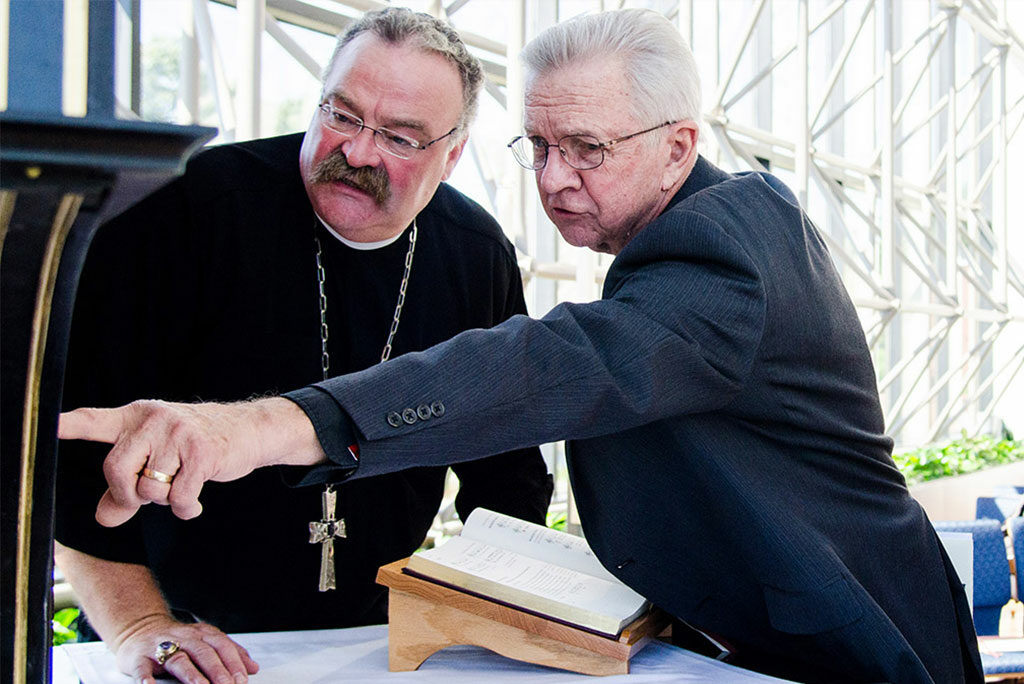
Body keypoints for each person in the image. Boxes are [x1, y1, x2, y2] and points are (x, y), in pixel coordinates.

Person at [60, 8, 983, 684]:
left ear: (678, 148)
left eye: (586, 148)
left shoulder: (725, 248)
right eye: (538, 145)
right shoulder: (187, 212)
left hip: (844, 639)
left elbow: (551, 367)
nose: (553, 180)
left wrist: (261, 428)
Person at [53, 8, 553, 684]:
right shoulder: (188, 210)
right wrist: (140, 626)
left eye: (400, 137)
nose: (359, 153)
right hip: (177, 630)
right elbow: (75, 448)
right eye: (342, 115)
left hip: (376, 642)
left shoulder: (476, 254)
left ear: (452, 154)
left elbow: (506, 473)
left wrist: (501, 616)